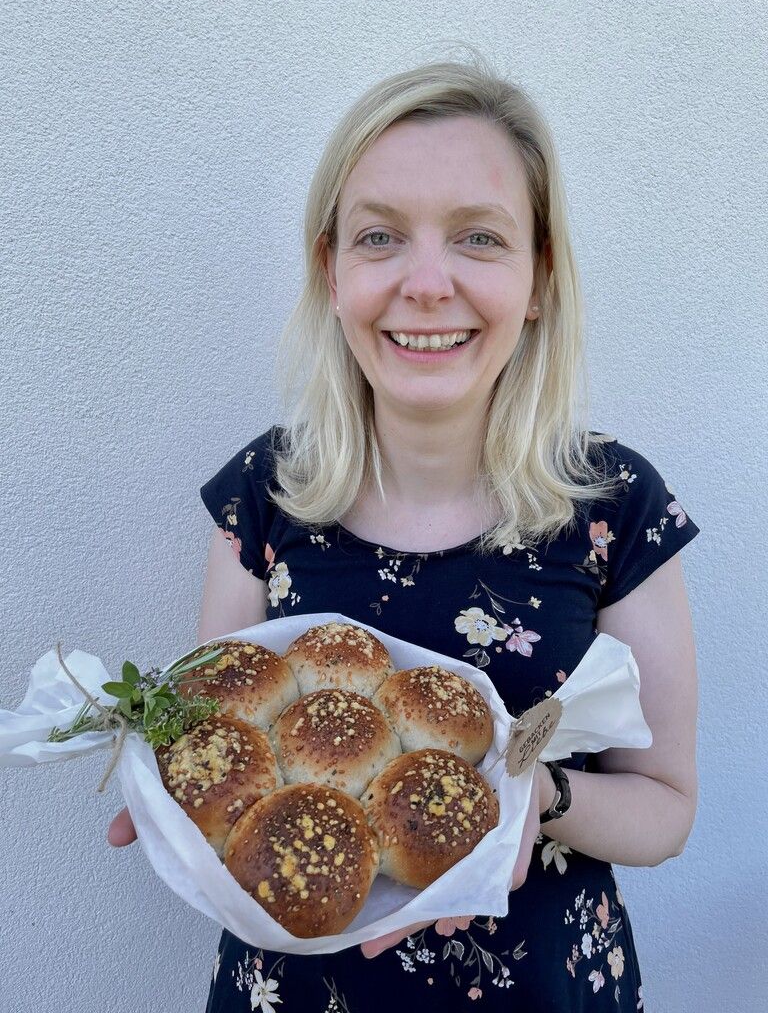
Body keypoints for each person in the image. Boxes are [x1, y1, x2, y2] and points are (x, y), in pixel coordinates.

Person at [108, 57, 700, 1011]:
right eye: (380, 237)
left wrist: (537, 798)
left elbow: (666, 807)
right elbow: (216, 730)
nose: (427, 284)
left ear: (540, 276)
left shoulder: (613, 505)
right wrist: (164, 782)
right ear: (332, 272)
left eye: (479, 238)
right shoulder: (265, 494)